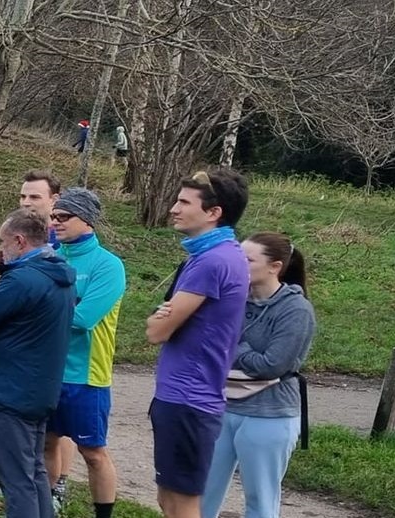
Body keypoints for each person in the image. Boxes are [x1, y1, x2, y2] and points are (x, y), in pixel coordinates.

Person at [145, 166, 250, 518]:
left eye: (183, 201)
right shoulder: (220, 254)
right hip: (183, 396)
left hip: (189, 400)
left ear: (213, 212)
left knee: (183, 505)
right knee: (168, 500)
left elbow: (156, 331)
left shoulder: (212, 260)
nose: (173, 208)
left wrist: (161, 318)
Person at [0, 209, 76, 518]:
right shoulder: (60, 275)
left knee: (15, 481)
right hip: (40, 389)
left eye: (2, 241)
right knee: (34, 470)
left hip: (12, 392)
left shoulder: (21, 281)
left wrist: (0, 281)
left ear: (19, 241)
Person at [201, 232, 315, 518]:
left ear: (274, 267)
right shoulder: (232, 297)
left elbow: (272, 365)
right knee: (201, 495)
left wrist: (232, 344)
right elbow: (204, 339)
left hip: (270, 414)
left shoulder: (296, 309)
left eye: (247, 259)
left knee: (261, 502)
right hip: (221, 406)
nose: (237, 264)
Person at [41, 188, 126, 518]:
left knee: (93, 452)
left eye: (63, 217)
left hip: (86, 375)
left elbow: (83, 319)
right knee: (47, 442)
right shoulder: (48, 255)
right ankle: (46, 506)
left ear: (87, 220)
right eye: (54, 216)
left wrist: (39, 310)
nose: (55, 222)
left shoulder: (108, 265)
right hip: (47, 372)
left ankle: (103, 514)